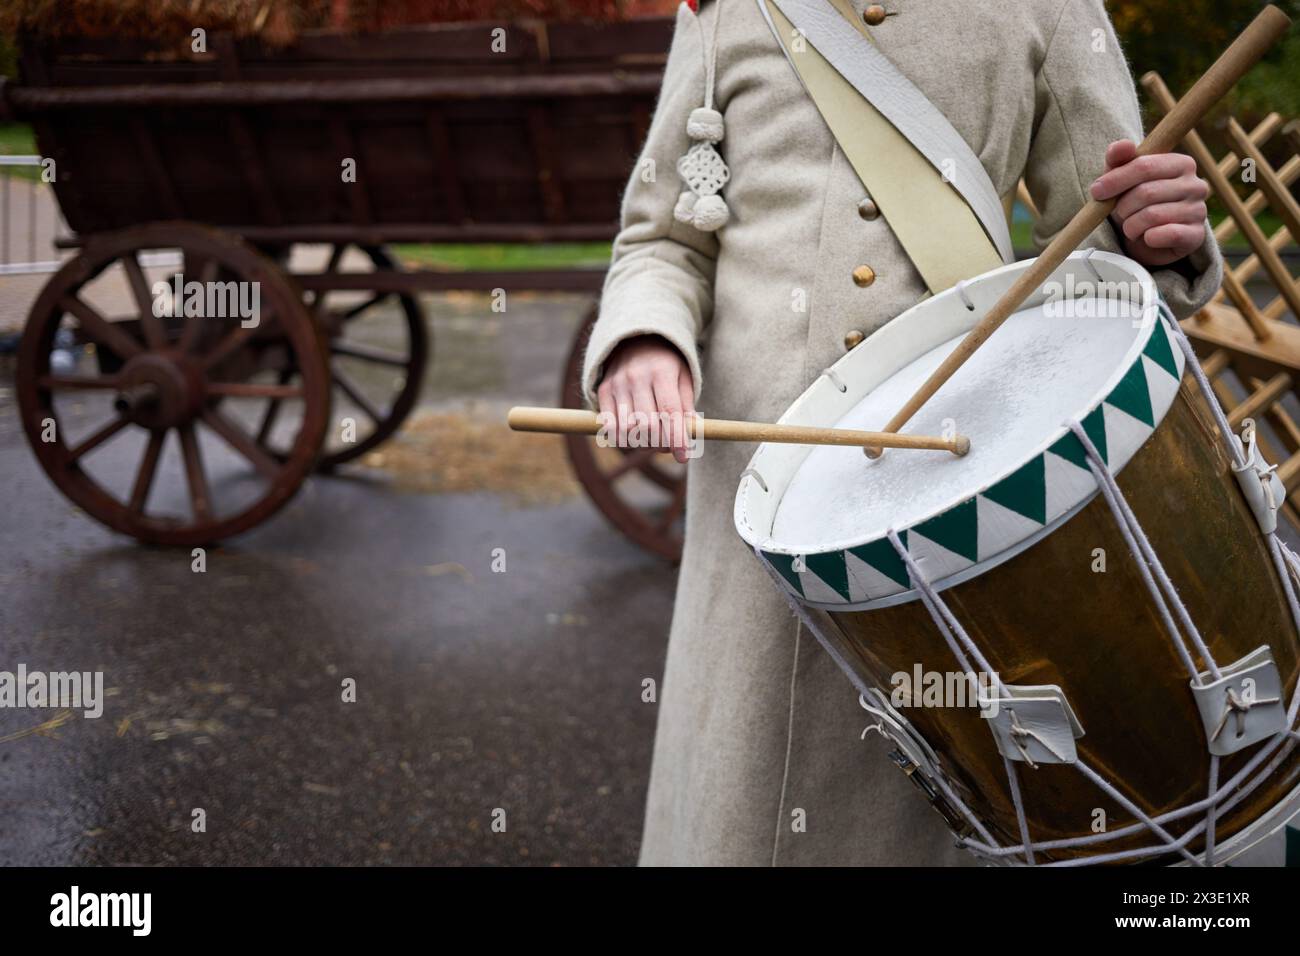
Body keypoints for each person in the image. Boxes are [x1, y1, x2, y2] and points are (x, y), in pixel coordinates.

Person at [582, 0, 1223, 866]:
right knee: (738, 791)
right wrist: (646, 338)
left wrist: (1158, 238)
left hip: (959, 476)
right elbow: (662, 236)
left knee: (933, 791)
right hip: (761, 472)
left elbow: (1102, 252)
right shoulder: (728, 8)